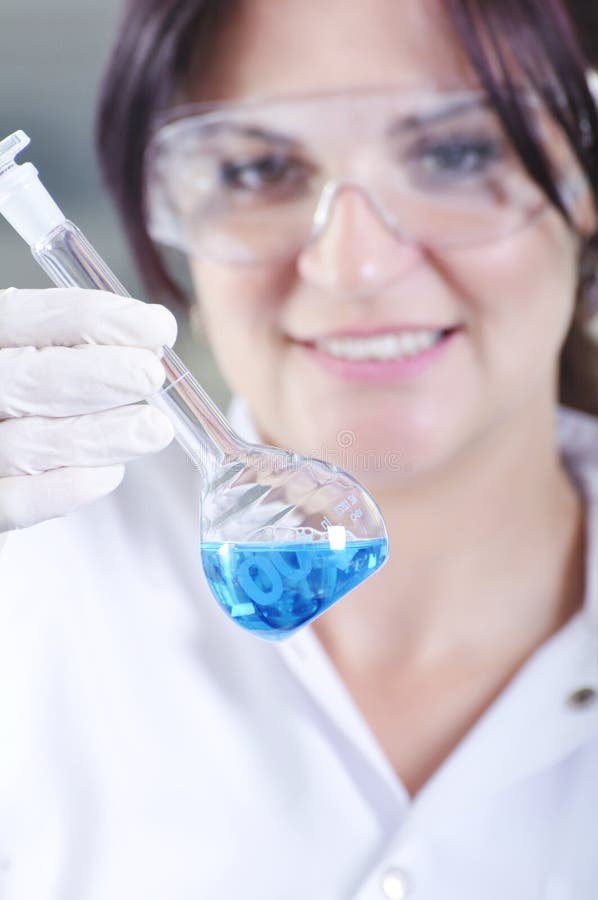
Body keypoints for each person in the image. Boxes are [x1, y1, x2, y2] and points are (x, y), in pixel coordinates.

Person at [0, 0, 597, 897]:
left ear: (585, 189)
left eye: (456, 153)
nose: (353, 268)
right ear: (165, 220)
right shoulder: (34, 585)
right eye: (257, 167)